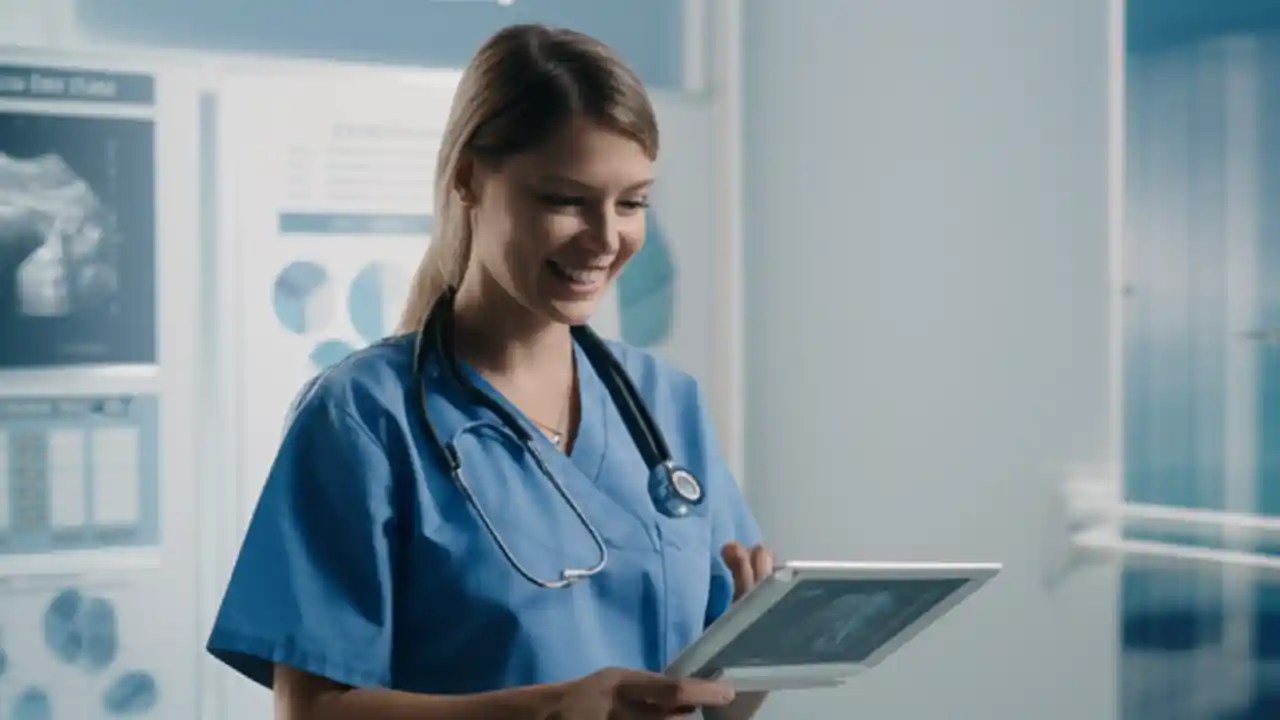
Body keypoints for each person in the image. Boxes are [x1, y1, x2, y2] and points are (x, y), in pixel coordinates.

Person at [207, 23, 772, 720]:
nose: (605, 238)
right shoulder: (363, 417)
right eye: (565, 200)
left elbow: (714, 702)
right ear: (469, 180)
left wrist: (752, 666)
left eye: (631, 203)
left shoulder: (665, 405)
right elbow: (311, 710)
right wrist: (547, 711)